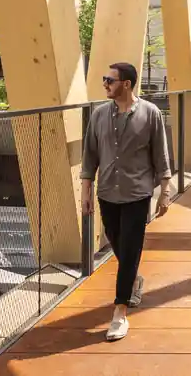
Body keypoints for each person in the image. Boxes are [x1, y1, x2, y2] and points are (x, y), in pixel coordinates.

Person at [80, 61, 172, 343]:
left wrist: (165, 190)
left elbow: (160, 154)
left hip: (137, 193)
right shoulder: (98, 115)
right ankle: (133, 278)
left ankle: (119, 313)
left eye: (110, 80)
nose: (105, 83)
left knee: (130, 250)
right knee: (115, 240)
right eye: (105, 79)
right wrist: (86, 190)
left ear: (127, 84)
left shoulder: (150, 113)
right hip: (107, 191)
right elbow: (90, 155)